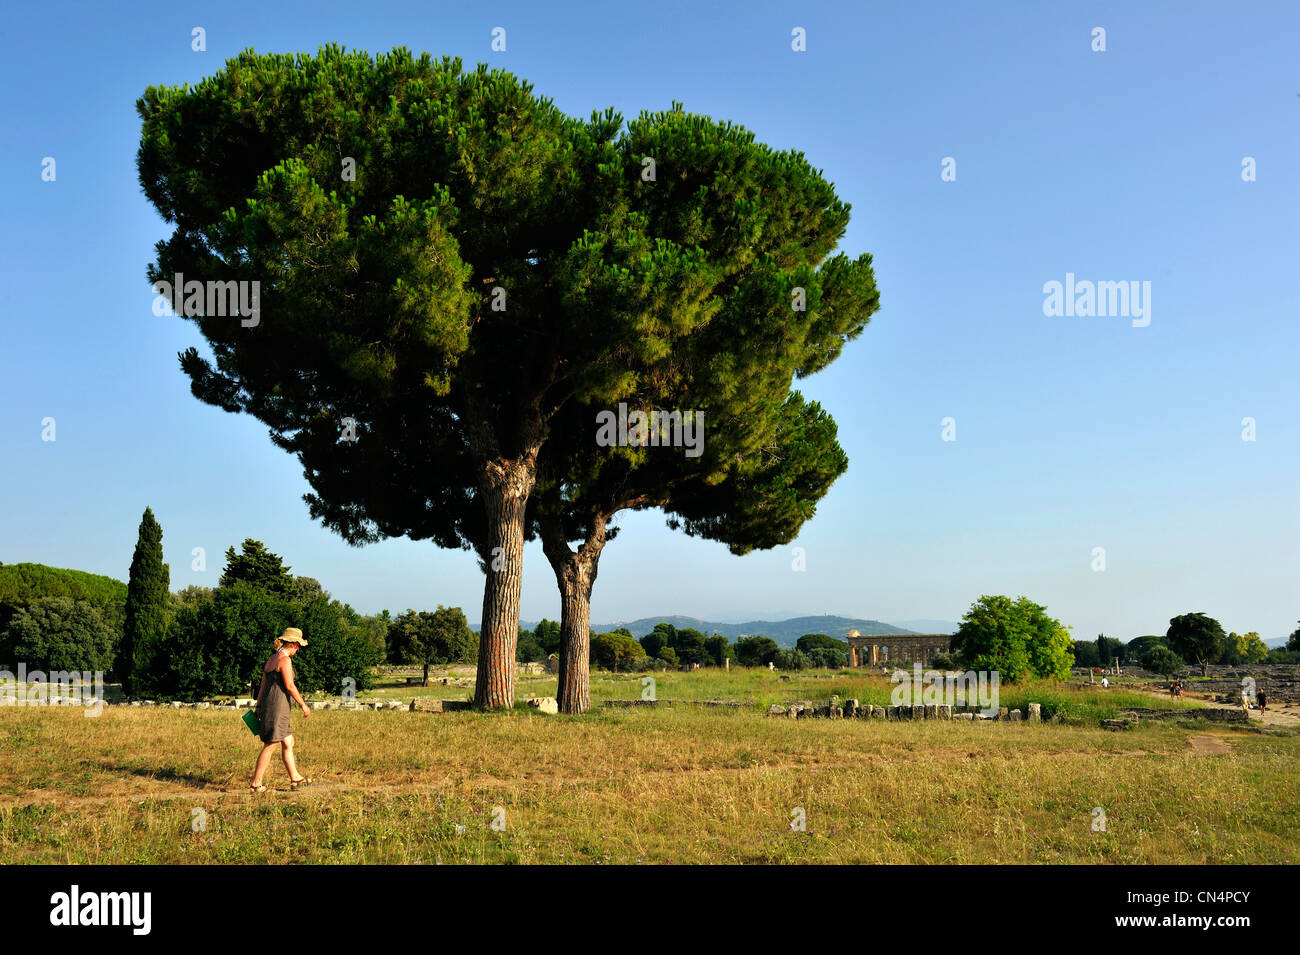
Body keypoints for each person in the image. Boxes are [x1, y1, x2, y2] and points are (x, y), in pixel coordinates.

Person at [250, 627, 312, 793]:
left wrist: (258, 706)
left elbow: (263, 685)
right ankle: (256, 784)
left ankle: (295, 778)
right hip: (277, 707)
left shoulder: (271, 659)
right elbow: (290, 686)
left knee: (288, 741)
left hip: (270, 705)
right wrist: (303, 705)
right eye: (298, 645)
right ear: (292, 644)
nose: (298, 649)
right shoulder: (284, 660)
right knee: (271, 744)